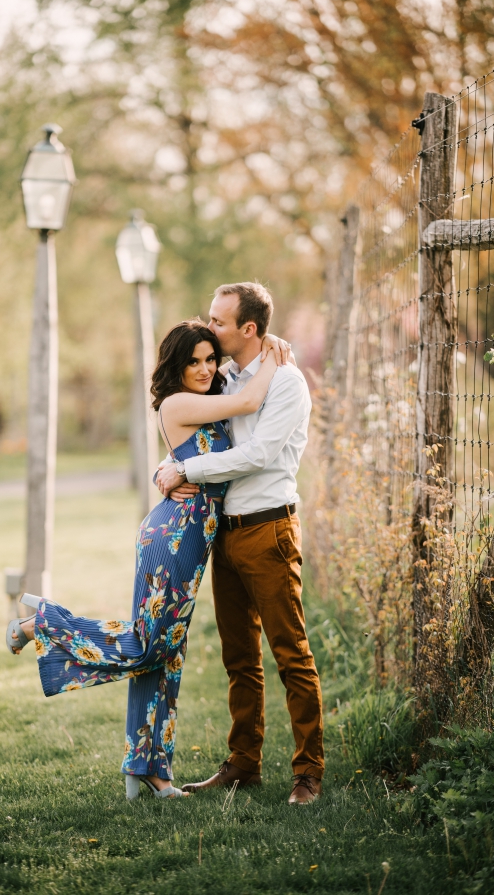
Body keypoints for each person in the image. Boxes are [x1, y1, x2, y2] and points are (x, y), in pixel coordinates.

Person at [8, 319, 285, 800]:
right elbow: (247, 402)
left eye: (209, 358)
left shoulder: (206, 401)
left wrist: (169, 467)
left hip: (194, 539)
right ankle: (43, 624)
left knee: (165, 657)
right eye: (193, 361)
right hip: (172, 535)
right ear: (176, 367)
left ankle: (150, 769)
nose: (204, 368)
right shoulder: (179, 403)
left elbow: (207, 446)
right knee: (148, 647)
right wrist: (276, 359)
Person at [155, 282, 324, 806]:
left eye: (219, 322)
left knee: (289, 653)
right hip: (224, 536)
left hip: (269, 531)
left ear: (249, 329)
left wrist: (186, 469)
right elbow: (191, 433)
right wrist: (168, 464)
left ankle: (308, 773)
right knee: (239, 659)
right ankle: (243, 764)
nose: (211, 329)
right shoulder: (224, 377)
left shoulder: (288, 383)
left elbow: (257, 454)